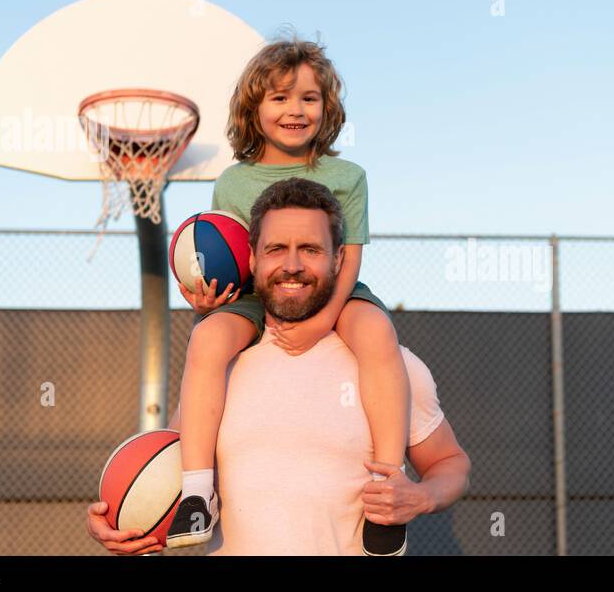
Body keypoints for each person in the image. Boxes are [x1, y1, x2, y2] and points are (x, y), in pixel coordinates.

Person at [88, 178, 470, 555]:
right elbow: (164, 476)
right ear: (252, 258)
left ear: (339, 259)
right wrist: (121, 520)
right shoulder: (219, 366)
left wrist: (421, 496)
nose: (292, 265)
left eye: (310, 249)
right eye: (276, 249)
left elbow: (450, 463)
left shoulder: (391, 365)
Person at [169, 35, 414, 555]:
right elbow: (237, 258)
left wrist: (324, 320)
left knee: (375, 329)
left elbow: (347, 256)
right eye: (279, 97)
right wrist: (211, 304)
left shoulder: (348, 177)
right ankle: (196, 490)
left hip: (333, 284)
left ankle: (386, 483)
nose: (295, 109)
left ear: (327, 110)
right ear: (253, 109)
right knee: (208, 340)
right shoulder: (234, 181)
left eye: (309, 98)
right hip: (261, 293)